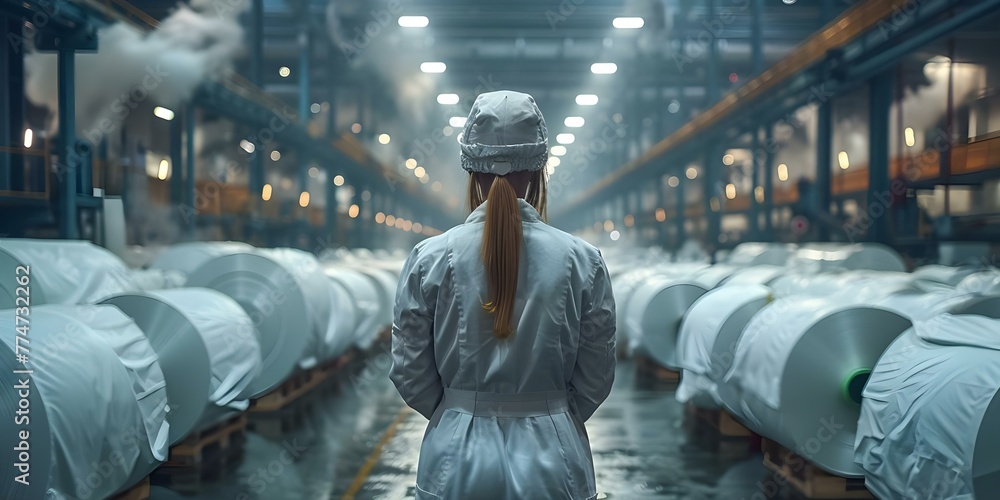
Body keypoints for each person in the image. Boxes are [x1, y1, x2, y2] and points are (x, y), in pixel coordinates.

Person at [389, 90, 617, 500]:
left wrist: (458, 413)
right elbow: (596, 375)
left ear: (470, 170)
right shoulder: (583, 260)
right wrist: (552, 415)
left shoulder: (430, 258)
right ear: (537, 171)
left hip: (455, 459)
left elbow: (410, 372)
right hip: (553, 459)